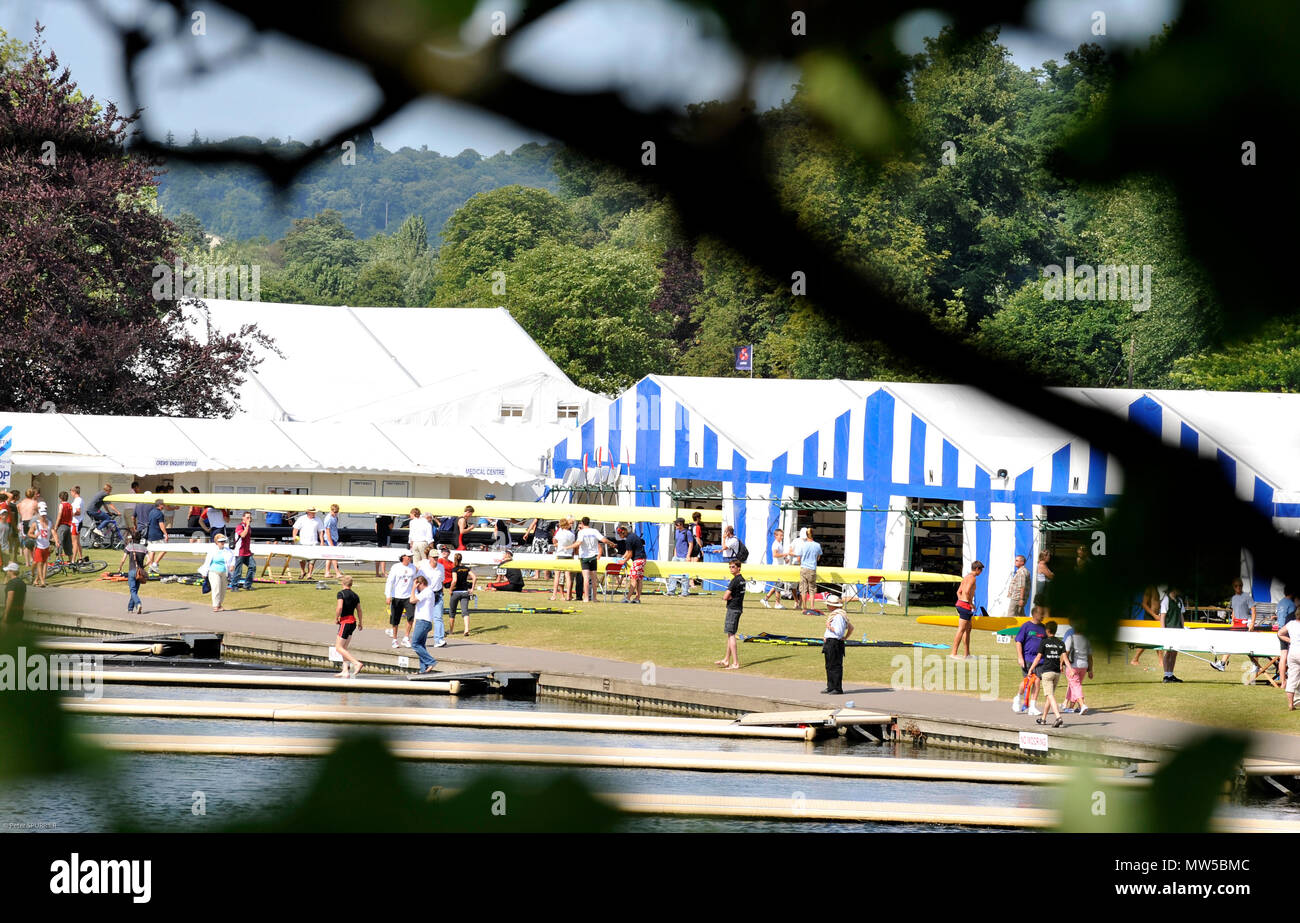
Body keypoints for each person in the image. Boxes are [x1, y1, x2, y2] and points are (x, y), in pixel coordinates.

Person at [565, 516, 617, 602]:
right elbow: (603, 540)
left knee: (586, 577)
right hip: (593, 557)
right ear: (589, 522)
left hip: (584, 557)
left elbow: (579, 542)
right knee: (593, 578)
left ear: (582, 523)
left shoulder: (581, 532)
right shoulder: (594, 531)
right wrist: (611, 543)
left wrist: (568, 547)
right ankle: (594, 598)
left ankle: (586, 598)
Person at [1031, 620, 1067, 728]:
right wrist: (1068, 667)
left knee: (1050, 695)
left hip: (1047, 672)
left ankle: (1058, 717)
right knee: (1049, 696)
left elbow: (1038, 657)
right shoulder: (1061, 643)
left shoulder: (1044, 642)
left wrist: (1031, 669)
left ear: (1047, 630)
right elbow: (1064, 657)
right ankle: (1043, 719)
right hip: (1057, 673)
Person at [1013, 605, 1048, 715]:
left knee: (1037, 681)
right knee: (1027, 681)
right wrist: (1020, 657)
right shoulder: (1026, 626)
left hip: (1039, 660)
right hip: (1027, 658)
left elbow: (1046, 644)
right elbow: (1018, 641)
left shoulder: (1043, 628)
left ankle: (1032, 706)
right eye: (1040, 613)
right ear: (1034, 614)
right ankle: (1018, 698)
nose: (1042, 616)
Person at [715, 559, 746, 669]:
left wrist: (729, 597)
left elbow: (725, 596)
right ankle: (726, 659)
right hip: (738, 608)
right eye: (730, 567)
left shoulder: (735, 581)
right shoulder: (742, 580)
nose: (731, 569)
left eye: (733, 567)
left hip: (733, 609)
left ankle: (736, 663)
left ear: (738, 568)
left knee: (731, 634)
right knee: (730, 634)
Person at [821, 594, 854, 695]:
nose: (827, 606)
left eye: (828, 605)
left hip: (834, 642)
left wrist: (829, 627)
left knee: (835, 666)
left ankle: (837, 688)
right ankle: (830, 686)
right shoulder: (837, 614)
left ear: (832, 606)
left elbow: (839, 632)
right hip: (831, 642)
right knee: (829, 665)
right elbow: (851, 628)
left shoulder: (839, 616)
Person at [384, 550, 417, 649]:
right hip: (397, 596)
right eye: (408, 556)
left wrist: (415, 594)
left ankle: (406, 637)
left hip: (409, 596)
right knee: (395, 619)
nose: (410, 558)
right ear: (403, 557)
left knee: (410, 617)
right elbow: (390, 582)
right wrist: (388, 595)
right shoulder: (396, 567)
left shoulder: (413, 567)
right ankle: (394, 639)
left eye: (411, 556)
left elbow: (415, 581)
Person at [951, 561, 984, 659]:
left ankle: (967, 654)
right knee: (961, 629)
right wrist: (970, 603)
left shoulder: (966, 577)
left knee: (968, 629)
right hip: (965, 605)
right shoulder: (972, 578)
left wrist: (961, 601)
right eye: (981, 570)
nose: (981, 572)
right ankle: (954, 653)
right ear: (977, 569)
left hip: (961, 604)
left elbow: (959, 592)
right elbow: (966, 591)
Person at [415, 553, 447, 648]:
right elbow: (418, 580)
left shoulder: (441, 567)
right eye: (434, 557)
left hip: (437, 594)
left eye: (437, 557)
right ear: (429, 558)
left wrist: (441, 591)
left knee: (438, 617)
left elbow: (442, 580)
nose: (435, 559)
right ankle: (418, 640)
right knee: (424, 619)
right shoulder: (424, 568)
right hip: (427, 594)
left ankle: (439, 639)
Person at [333, 574, 363, 677]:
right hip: (353, 622)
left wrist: (336, 618)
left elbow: (340, 607)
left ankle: (356, 663)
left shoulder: (341, 594)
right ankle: (345, 671)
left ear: (342, 583)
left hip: (345, 622)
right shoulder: (355, 595)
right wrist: (360, 622)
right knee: (344, 647)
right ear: (351, 584)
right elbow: (359, 610)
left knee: (338, 647)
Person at [409, 574, 439, 673]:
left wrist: (413, 589)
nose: (417, 588)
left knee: (414, 644)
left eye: (417, 586)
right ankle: (424, 669)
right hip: (423, 621)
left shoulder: (426, 591)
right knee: (421, 645)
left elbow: (412, 600)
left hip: (423, 621)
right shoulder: (425, 592)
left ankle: (431, 661)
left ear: (421, 584)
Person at [199, 532, 235, 612]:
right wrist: (204, 573)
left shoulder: (228, 551)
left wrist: (232, 565)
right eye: (220, 542)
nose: (222, 543)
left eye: (223, 541)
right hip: (214, 571)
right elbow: (207, 562)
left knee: (223, 589)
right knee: (216, 588)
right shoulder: (212, 551)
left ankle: (219, 604)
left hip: (224, 572)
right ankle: (215, 605)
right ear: (216, 542)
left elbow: (233, 558)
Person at [1062, 627, 1093, 715]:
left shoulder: (1070, 638)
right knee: (1075, 686)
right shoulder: (1087, 640)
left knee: (1075, 686)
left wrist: (1061, 664)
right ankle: (1071, 707)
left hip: (1073, 666)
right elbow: (1090, 657)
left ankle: (1082, 705)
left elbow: (1065, 654)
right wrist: (1090, 670)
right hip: (1084, 666)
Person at [1160, 584, 1186, 682]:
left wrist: (1183, 628)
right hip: (1169, 630)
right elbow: (1162, 616)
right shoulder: (1166, 600)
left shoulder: (1179, 600)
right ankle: (1166, 675)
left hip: (1178, 630)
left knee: (1175, 652)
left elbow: (1181, 615)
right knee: (1169, 652)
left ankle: (1171, 674)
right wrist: (1163, 631)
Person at [447, 552, 476, 636]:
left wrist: (451, 589)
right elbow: (474, 577)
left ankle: (451, 630)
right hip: (465, 592)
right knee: (465, 611)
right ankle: (466, 629)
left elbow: (454, 580)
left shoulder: (455, 569)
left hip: (456, 592)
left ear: (455, 559)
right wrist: (472, 588)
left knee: (452, 612)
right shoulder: (466, 569)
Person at [617, 525, 647, 603]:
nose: (619, 535)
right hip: (642, 559)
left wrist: (623, 561)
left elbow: (630, 554)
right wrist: (622, 558)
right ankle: (637, 598)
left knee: (633, 579)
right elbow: (627, 552)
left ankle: (628, 598)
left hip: (637, 560)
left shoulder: (628, 540)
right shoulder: (633, 536)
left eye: (619, 533)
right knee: (639, 579)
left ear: (624, 532)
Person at [762, 527, 789, 608]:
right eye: (780, 535)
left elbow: (780, 554)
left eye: (782, 535)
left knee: (777, 585)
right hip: (777, 566)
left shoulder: (779, 544)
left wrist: (785, 558)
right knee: (778, 585)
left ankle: (765, 599)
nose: (782, 537)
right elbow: (775, 555)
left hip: (780, 566)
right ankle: (777, 603)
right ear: (775, 536)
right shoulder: (775, 544)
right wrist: (784, 555)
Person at [123, 529, 148, 615]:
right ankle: (130, 608)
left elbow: (123, 559)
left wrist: (120, 567)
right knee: (135, 591)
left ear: (132, 538)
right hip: (140, 572)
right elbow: (150, 560)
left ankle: (138, 604)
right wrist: (144, 566)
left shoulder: (129, 547)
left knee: (132, 591)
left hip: (132, 571)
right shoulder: (144, 548)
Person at [798, 527, 823, 614]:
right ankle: (812, 607)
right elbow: (818, 557)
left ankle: (804, 607)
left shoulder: (803, 545)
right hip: (812, 568)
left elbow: (799, 558)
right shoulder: (817, 545)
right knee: (812, 589)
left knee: (803, 588)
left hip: (804, 567)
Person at [292, 508, 322, 578]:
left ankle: (309, 574)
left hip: (313, 542)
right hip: (302, 542)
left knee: (312, 560)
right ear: (308, 512)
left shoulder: (318, 519)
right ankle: (302, 571)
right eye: (312, 512)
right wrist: (294, 536)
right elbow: (295, 528)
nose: (314, 513)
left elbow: (321, 531)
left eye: (314, 512)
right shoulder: (301, 519)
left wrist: (322, 541)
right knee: (301, 559)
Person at [551, 516, 575, 600]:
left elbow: (554, 541)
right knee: (568, 576)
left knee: (557, 576)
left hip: (560, 554)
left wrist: (558, 544)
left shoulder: (560, 533)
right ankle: (568, 595)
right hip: (569, 555)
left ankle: (554, 595)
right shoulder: (572, 534)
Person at [666, 518, 691, 597]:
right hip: (676, 556)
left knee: (684, 575)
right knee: (672, 574)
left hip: (684, 556)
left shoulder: (688, 532)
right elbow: (677, 543)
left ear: (681, 524)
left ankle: (684, 592)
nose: (675, 526)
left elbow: (691, 544)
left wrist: (688, 556)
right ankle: (671, 591)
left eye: (677, 524)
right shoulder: (676, 532)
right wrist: (675, 554)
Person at [1277, 587, 1297, 690]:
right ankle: (1290, 680)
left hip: (1280, 630)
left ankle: (1283, 681)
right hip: (1288, 631)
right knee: (1290, 656)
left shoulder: (1280, 602)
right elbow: (1293, 618)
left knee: (1283, 656)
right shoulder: (1292, 604)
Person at [143, 499, 170, 572]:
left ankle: (150, 567)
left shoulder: (151, 512)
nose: (164, 506)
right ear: (160, 505)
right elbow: (161, 525)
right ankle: (155, 564)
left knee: (152, 551)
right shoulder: (160, 513)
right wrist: (166, 534)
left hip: (150, 534)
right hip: (157, 534)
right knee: (165, 549)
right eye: (163, 504)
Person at [231, 511, 255, 591]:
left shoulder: (249, 527)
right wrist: (247, 525)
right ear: (243, 518)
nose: (249, 519)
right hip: (240, 552)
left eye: (250, 517)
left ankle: (247, 585)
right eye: (247, 517)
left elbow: (247, 540)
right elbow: (243, 535)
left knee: (252, 566)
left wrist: (249, 550)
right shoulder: (240, 526)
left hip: (247, 552)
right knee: (238, 570)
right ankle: (234, 586)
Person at [320, 503, 342, 579]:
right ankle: (337, 572)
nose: (336, 513)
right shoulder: (328, 518)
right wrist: (331, 542)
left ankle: (327, 572)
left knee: (329, 556)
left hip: (335, 537)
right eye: (335, 512)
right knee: (333, 555)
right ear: (331, 510)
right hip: (329, 538)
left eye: (337, 512)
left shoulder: (335, 517)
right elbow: (327, 531)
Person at [1006, 554, 1030, 619]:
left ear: (1022, 562)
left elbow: (1022, 586)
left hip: (1017, 597)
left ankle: (1010, 628)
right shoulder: (1022, 571)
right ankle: (1026, 626)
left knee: (1011, 615)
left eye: (1017, 560)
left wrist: (1021, 599)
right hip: (1018, 597)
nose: (1015, 562)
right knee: (1020, 615)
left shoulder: (1021, 572)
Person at [69, 486, 84, 562]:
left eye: (71, 492)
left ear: (74, 492)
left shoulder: (77, 500)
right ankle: (80, 558)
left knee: (74, 542)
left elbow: (78, 511)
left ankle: (73, 560)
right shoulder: (80, 500)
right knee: (77, 542)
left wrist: (71, 514)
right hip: (79, 522)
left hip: (76, 522)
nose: (71, 493)